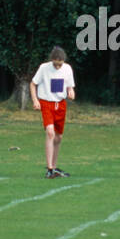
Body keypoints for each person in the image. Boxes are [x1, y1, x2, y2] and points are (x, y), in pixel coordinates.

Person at [30, 46, 75, 179]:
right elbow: (33, 84)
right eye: (55, 64)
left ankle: (54, 167)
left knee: (58, 137)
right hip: (46, 103)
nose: (57, 67)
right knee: (50, 132)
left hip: (60, 105)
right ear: (51, 61)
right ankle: (49, 168)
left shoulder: (67, 68)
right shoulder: (44, 68)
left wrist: (71, 92)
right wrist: (35, 100)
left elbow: (69, 86)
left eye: (59, 64)